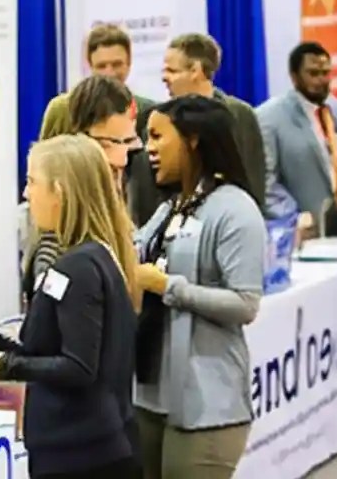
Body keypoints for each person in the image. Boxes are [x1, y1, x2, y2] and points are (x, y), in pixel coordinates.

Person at [0, 135, 142, 479]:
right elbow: (60, 345)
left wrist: (0, 364)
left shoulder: (77, 268)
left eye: (31, 182)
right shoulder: (99, 256)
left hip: (78, 453)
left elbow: (78, 367)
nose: (26, 194)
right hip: (92, 446)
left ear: (60, 191)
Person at [132, 95, 265, 479]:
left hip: (208, 406)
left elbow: (245, 303)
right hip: (151, 395)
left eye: (158, 136)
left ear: (192, 138)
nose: (149, 148)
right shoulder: (169, 207)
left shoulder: (235, 209)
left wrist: (168, 286)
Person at [40, 23, 160, 226]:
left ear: (129, 63)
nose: (110, 73)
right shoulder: (62, 108)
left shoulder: (150, 112)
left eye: (117, 64)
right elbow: (45, 165)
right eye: (102, 66)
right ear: (89, 65)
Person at [27, 75, 142, 287]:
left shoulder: (124, 189)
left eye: (129, 142)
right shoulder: (56, 225)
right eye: (109, 144)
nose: (122, 158)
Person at [257, 41, 337, 236]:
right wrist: (294, 218)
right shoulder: (269, 117)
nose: (321, 80)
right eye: (313, 74)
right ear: (294, 76)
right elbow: (265, 182)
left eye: (325, 73)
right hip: (299, 235)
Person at [161, 32, 266, 205]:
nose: (164, 78)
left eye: (172, 71)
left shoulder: (240, 115)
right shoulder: (164, 119)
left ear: (196, 70)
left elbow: (254, 178)